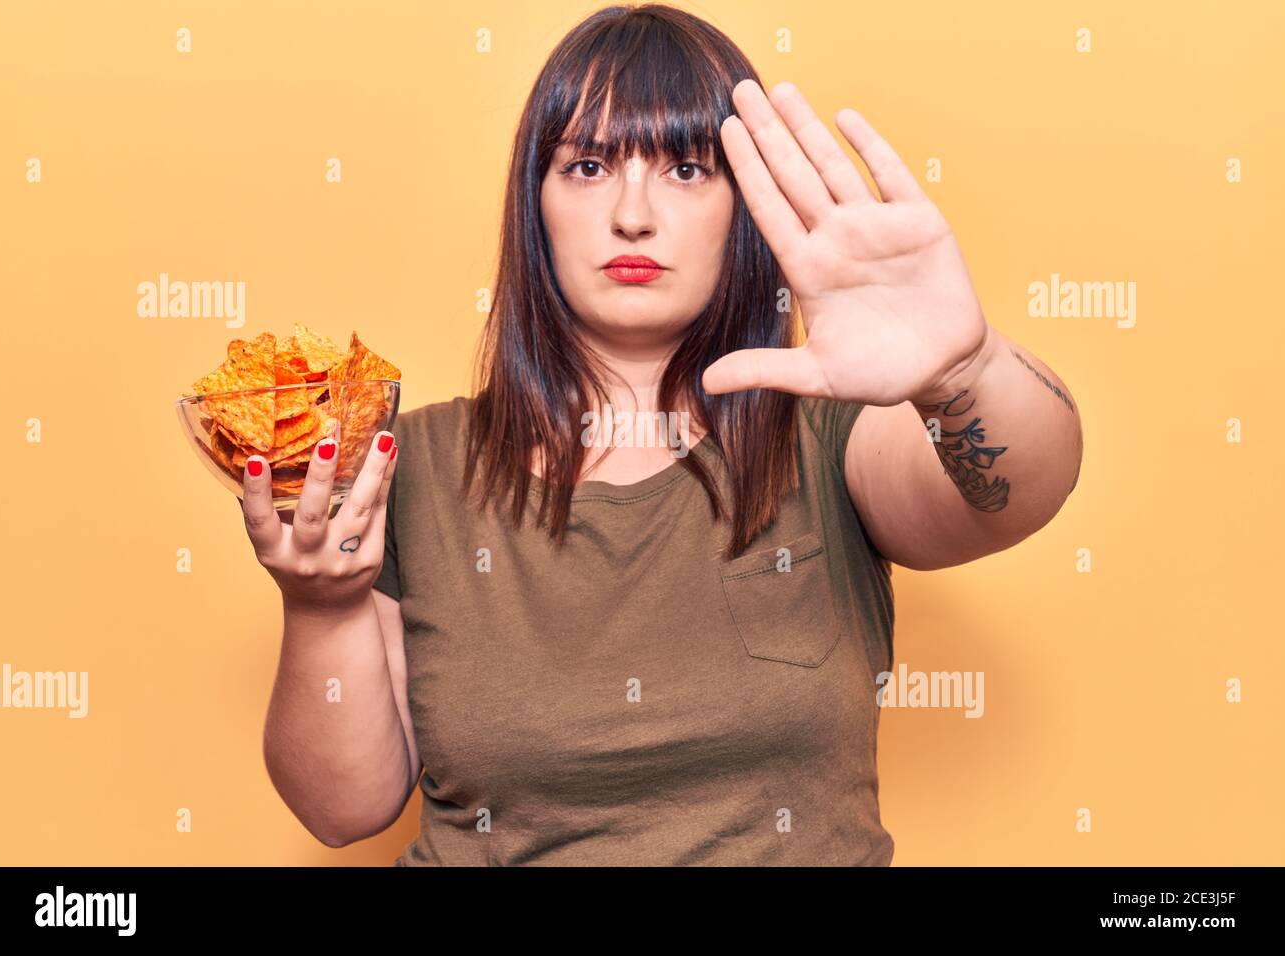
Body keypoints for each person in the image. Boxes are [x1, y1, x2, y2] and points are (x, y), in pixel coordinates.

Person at [243, 3, 1083, 865]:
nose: (633, 215)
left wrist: (964, 369)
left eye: (686, 168)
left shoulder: (831, 439)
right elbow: (342, 811)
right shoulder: (409, 463)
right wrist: (320, 605)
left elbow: (1024, 491)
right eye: (588, 166)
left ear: (743, 207)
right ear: (535, 204)